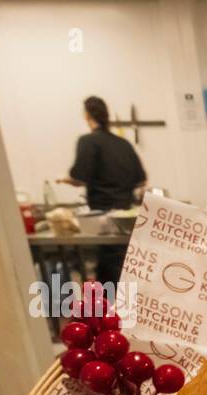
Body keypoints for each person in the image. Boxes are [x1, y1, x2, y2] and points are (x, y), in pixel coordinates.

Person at [57, 96, 147, 283]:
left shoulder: (88, 141)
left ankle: (110, 309)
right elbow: (140, 180)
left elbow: (79, 176)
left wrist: (68, 180)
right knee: (128, 270)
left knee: (109, 273)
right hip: (129, 220)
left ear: (86, 115)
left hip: (103, 219)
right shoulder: (123, 144)